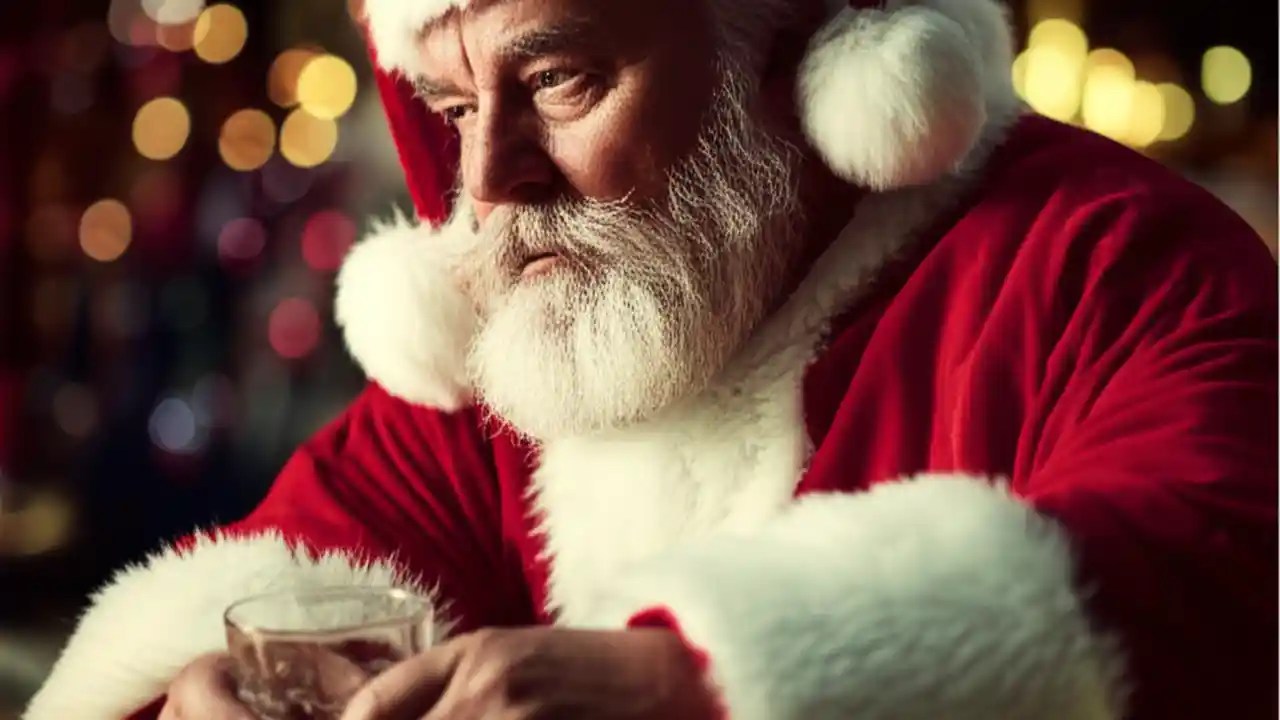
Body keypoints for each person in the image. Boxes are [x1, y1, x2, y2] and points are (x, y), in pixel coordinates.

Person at [26, 0, 1277, 718]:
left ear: (797, 43)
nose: (486, 182)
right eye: (454, 109)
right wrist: (189, 699)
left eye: (558, 80)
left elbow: (1218, 574)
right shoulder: (524, 347)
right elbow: (266, 582)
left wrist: (700, 683)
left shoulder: (1104, 260)